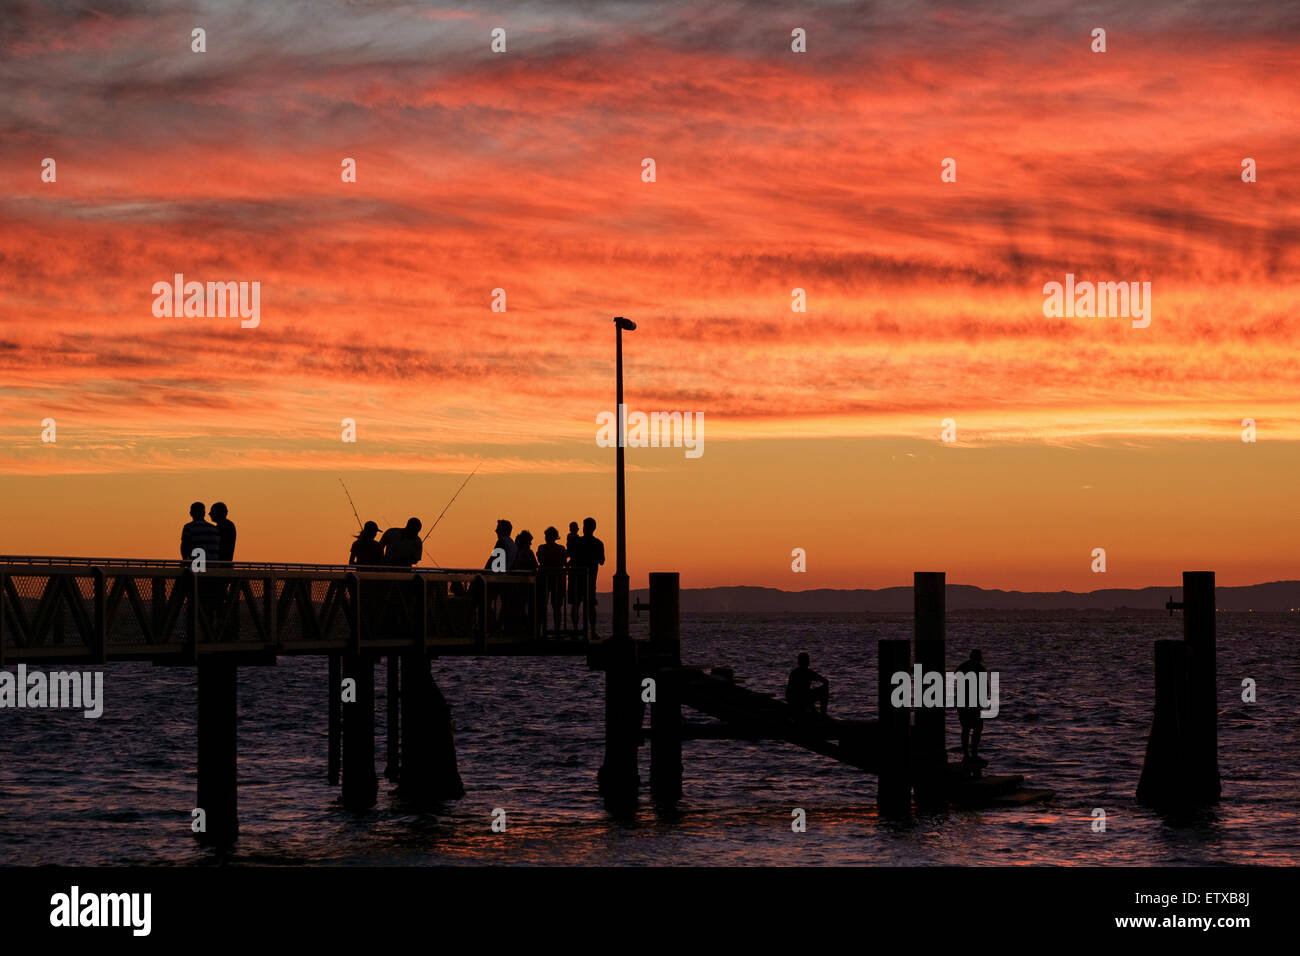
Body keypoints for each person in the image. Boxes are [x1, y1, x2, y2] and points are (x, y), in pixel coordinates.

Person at [568, 517, 605, 631]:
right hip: (590, 579)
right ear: (594, 528)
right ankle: (592, 630)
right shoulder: (598, 543)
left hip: (576, 579)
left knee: (576, 605)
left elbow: (569, 554)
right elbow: (602, 561)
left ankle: (575, 629)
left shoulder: (576, 541)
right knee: (590, 606)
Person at [956, 649, 986, 765]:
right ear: (979, 658)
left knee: (965, 728)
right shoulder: (980, 668)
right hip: (974, 702)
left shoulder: (961, 666)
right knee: (977, 728)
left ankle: (966, 755)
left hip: (962, 701)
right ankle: (974, 753)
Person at [536, 527, 567, 633]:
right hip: (558, 580)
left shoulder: (541, 548)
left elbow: (539, 559)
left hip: (544, 580)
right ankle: (557, 630)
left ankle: (541, 630)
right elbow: (564, 562)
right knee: (557, 607)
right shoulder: (561, 549)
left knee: (542, 606)